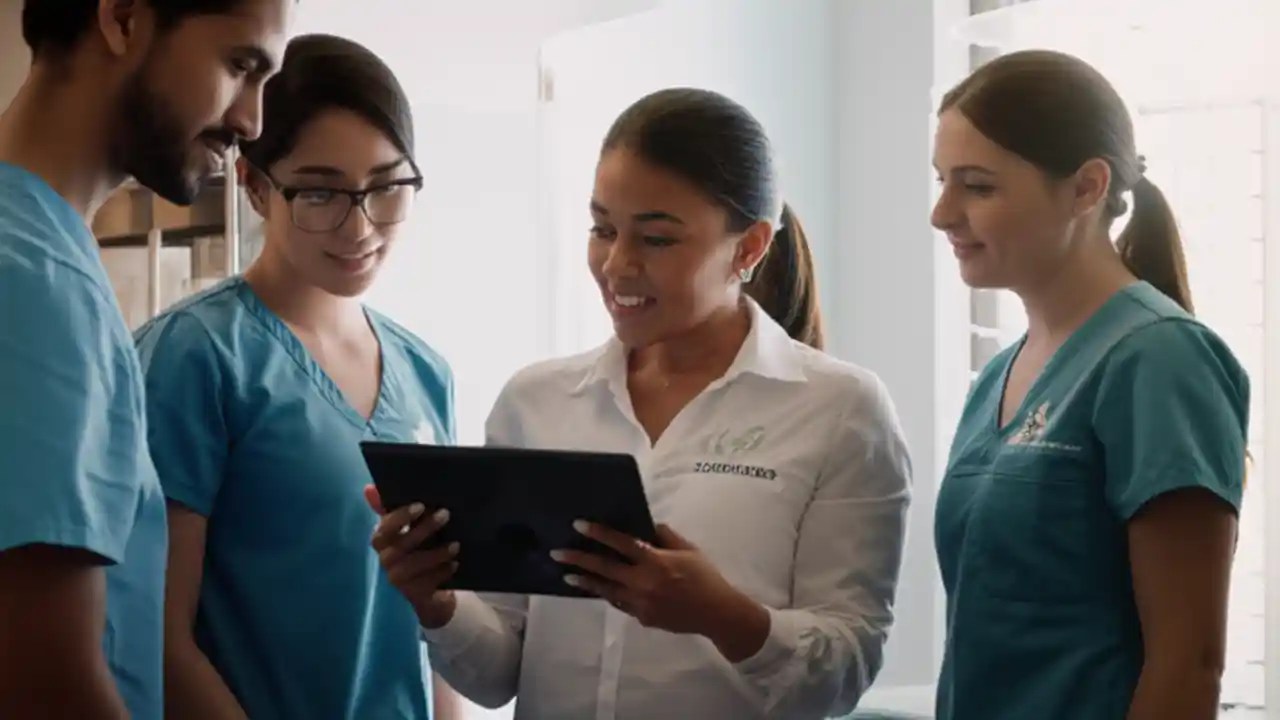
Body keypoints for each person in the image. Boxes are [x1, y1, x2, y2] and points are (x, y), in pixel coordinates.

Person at [368, 87, 914, 719]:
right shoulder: (537, 401)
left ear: (749, 247)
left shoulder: (841, 409)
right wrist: (435, 603)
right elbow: (497, 676)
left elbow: (843, 676)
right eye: (602, 229)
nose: (616, 265)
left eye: (656, 239)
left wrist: (723, 617)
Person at [133, 33, 461, 720]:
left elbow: (438, 626)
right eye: (320, 193)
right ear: (255, 186)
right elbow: (157, 640)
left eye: (386, 187)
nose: (361, 225)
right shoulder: (196, 357)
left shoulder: (426, 371)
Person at [930, 49, 1248, 720]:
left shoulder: (1158, 359)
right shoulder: (997, 375)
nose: (942, 214)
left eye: (977, 186)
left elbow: (1188, 666)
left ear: (1086, 187)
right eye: (941, 181)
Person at [0, 1, 290, 717]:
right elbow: (46, 681)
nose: (251, 120)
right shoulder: (36, 282)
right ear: (122, 18)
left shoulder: (42, 250)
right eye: (239, 65)